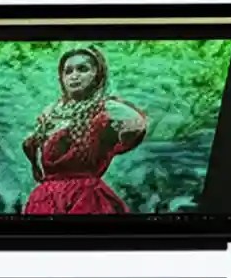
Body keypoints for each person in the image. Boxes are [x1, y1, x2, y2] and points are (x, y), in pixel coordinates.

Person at [21, 46, 148, 214]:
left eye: (82, 69)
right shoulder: (51, 111)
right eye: (68, 71)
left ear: (97, 75)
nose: (74, 76)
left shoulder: (106, 108)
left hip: (85, 197)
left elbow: (136, 125)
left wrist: (108, 117)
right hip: (46, 199)